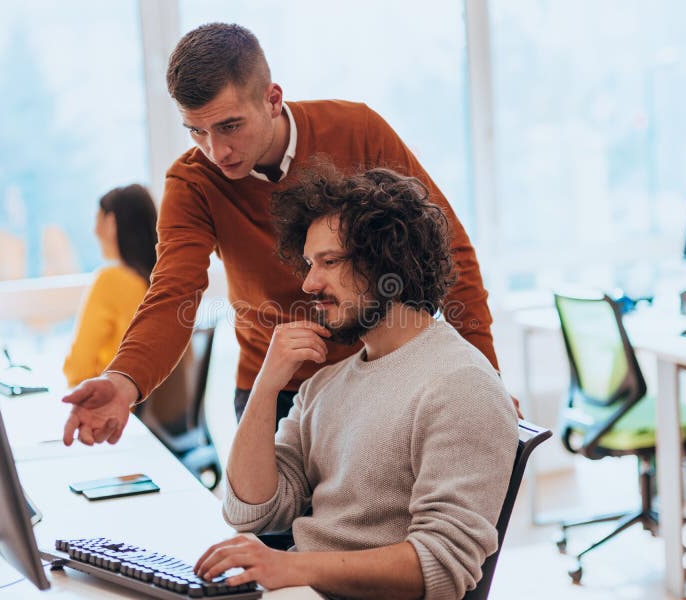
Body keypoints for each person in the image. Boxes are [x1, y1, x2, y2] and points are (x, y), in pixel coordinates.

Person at [61, 22, 518, 448]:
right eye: (196, 131)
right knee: (265, 536)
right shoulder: (192, 182)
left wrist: (483, 378)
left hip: (381, 381)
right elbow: (172, 293)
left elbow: (449, 250)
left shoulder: (357, 131)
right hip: (275, 391)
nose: (215, 150)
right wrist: (124, 381)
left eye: (229, 126)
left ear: (273, 99)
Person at [193, 166, 518, 600]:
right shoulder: (325, 385)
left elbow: (440, 564)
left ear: (389, 261)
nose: (310, 283)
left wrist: (289, 566)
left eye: (329, 262)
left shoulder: (460, 386)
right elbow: (251, 512)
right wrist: (266, 387)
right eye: (310, 264)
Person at [63, 184, 192, 429]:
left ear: (111, 223)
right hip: (168, 424)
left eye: (97, 220)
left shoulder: (110, 280)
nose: (94, 230)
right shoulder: (165, 285)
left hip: (118, 417)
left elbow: (76, 371)